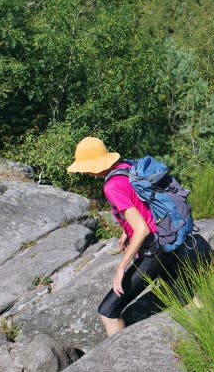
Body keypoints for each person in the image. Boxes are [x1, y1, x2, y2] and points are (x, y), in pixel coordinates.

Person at [67, 136, 203, 336]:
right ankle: (207, 323)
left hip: (155, 249)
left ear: (94, 166)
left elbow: (142, 229)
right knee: (183, 294)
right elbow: (143, 203)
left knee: (108, 311)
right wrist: (125, 231)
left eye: (85, 167)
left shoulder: (111, 186)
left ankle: (118, 359)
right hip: (168, 238)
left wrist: (121, 268)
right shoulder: (127, 167)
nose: (86, 171)